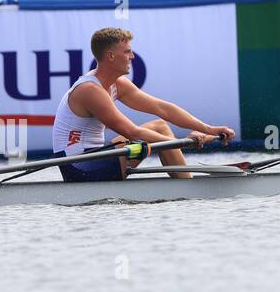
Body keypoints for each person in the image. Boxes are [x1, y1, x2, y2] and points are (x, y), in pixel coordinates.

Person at [51, 27, 235, 182]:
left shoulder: (117, 84)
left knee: (160, 125)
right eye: (127, 52)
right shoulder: (89, 90)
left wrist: (209, 129)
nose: (132, 56)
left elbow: (162, 109)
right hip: (79, 167)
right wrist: (184, 143)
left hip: (95, 156)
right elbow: (133, 132)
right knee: (150, 136)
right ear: (110, 56)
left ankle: (186, 184)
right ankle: (188, 187)